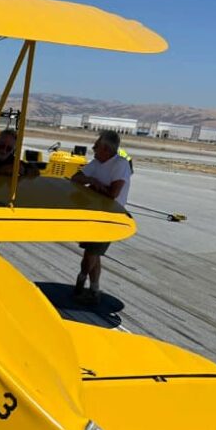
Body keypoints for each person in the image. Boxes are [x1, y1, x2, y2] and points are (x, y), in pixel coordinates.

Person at [70, 129, 132, 303]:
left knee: (90, 254)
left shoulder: (120, 164)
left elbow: (113, 193)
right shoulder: (97, 162)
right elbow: (75, 178)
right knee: (94, 254)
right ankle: (95, 290)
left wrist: (93, 185)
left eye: (96, 146)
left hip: (109, 217)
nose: (93, 148)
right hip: (94, 214)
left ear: (106, 149)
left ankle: (80, 284)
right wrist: (94, 182)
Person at [0, 128, 38, 252]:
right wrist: (2, 171)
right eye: (2, 146)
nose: (4, 150)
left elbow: (36, 172)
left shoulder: (13, 161)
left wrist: (24, 170)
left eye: (9, 148)